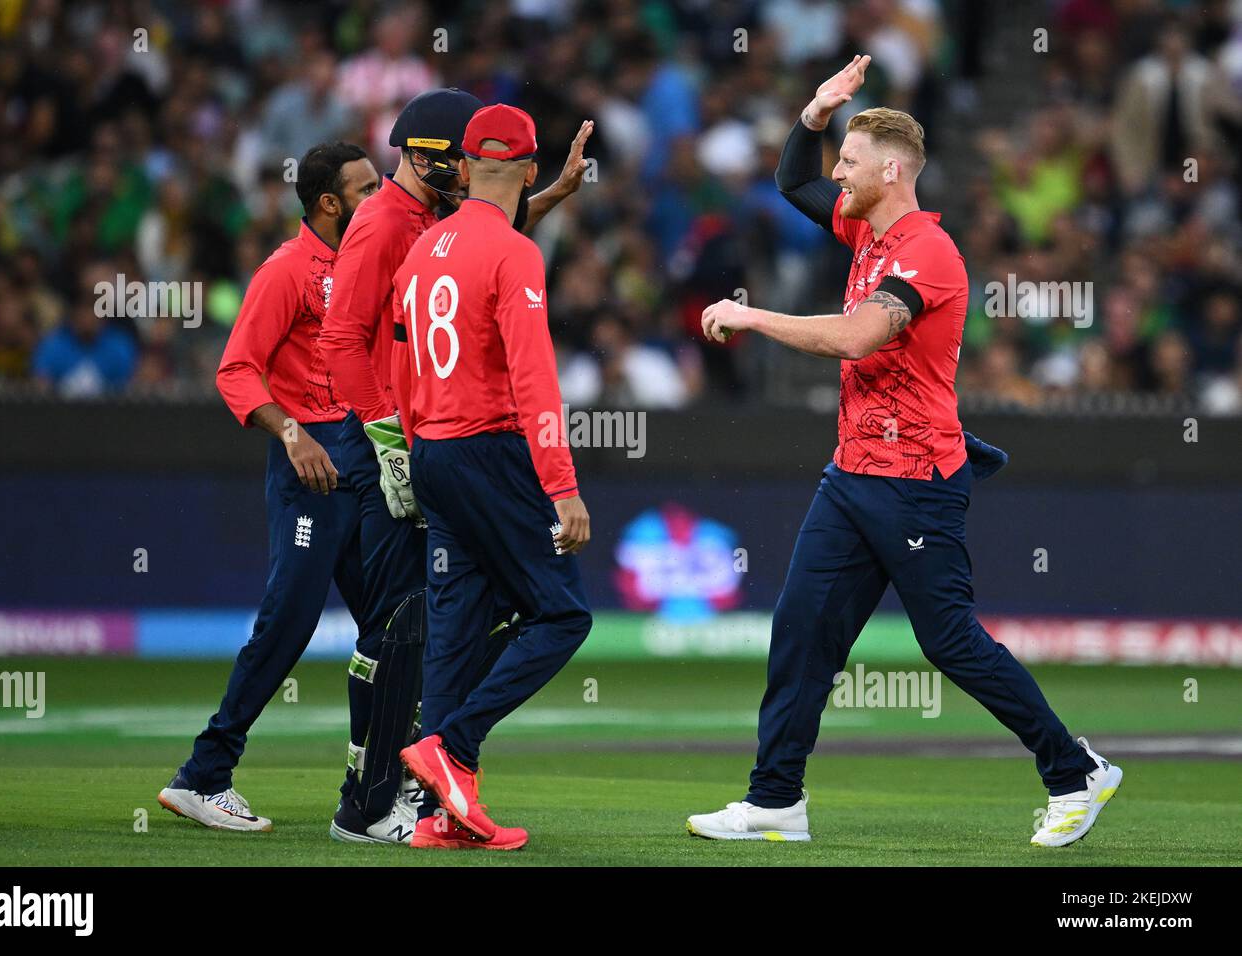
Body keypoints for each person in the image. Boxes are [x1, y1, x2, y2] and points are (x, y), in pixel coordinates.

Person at [685, 56, 1122, 848]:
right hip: (851, 476)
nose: (836, 174)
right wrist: (817, 111)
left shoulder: (929, 252)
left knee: (950, 642)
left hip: (916, 481)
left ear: (892, 169)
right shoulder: (863, 226)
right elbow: (791, 180)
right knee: (800, 633)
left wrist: (752, 318)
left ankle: (1077, 771)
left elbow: (857, 337)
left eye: (849, 162)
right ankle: (775, 801)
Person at [318, 89, 593, 844]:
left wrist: (406, 442)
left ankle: (442, 817)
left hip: (432, 449)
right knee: (563, 614)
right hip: (491, 450)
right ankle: (452, 747)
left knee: (455, 632)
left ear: (466, 168)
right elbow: (535, 379)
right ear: (528, 165)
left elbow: (402, 359)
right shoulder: (515, 253)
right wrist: (562, 486)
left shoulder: (426, 248)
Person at [158, 142, 385, 832]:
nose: (381, 198)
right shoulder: (287, 271)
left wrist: (548, 194)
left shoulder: (369, 260)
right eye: (367, 189)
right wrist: (292, 435)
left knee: (390, 623)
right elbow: (236, 371)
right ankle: (203, 774)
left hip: (362, 462)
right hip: (309, 465)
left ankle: (373, 785)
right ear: (328, 202)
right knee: (290, 620)